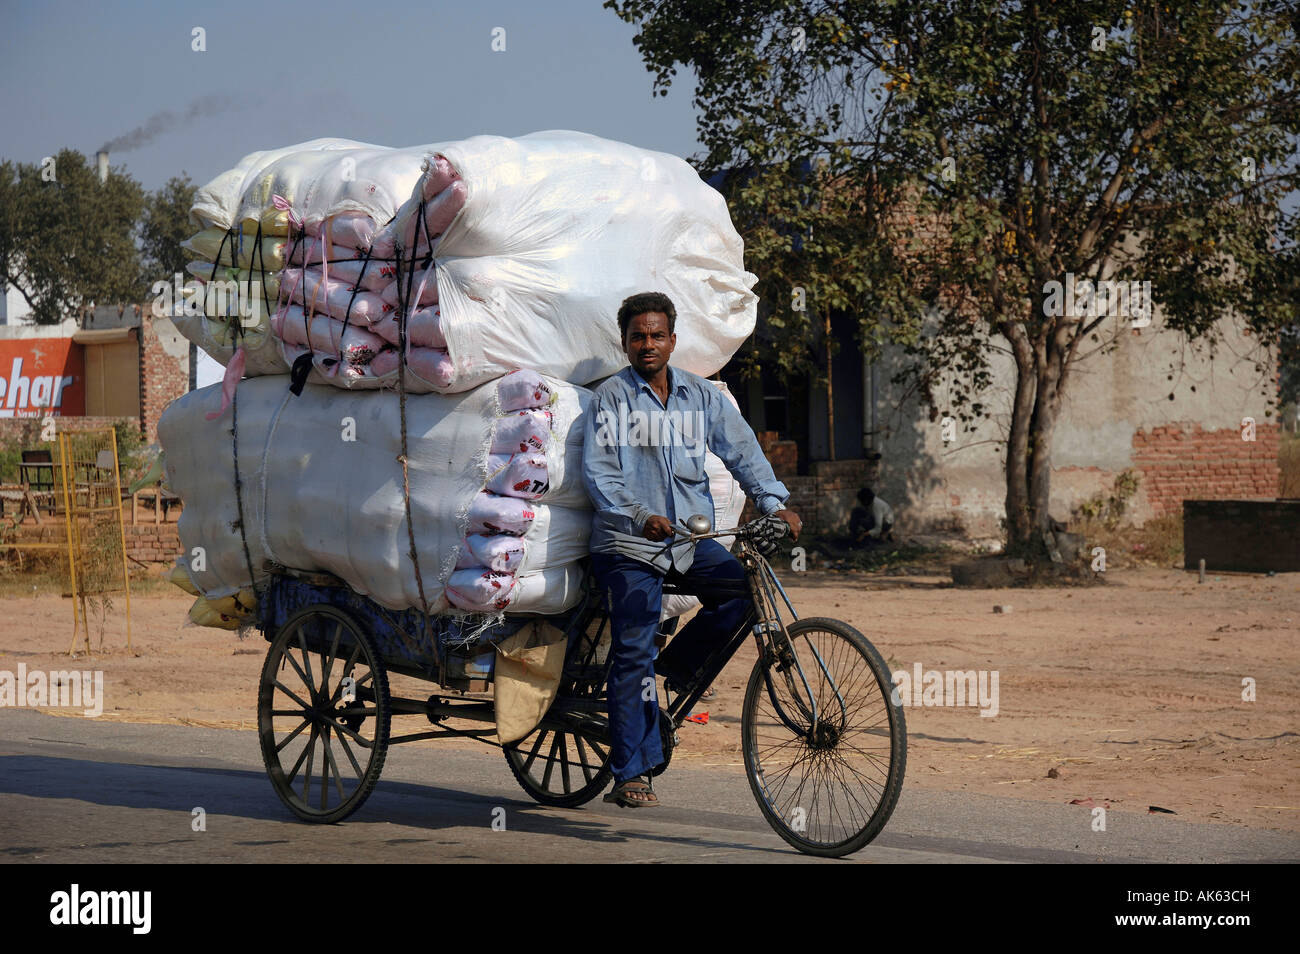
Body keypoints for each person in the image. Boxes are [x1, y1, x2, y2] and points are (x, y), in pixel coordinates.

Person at [582, 291, 802, 808]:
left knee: (741, 594)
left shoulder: (701, 397)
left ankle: (672, 675)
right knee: (633, 648)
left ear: (673, 341)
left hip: (688, 542)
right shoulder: (611, 399)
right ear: (625, 343)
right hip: (628, 543)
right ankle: (630, 773)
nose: (648, 344)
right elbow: (600, 475)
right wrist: (642, 516)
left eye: (657, 335)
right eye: (638, 336)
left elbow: (742, 450)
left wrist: (776, 505)